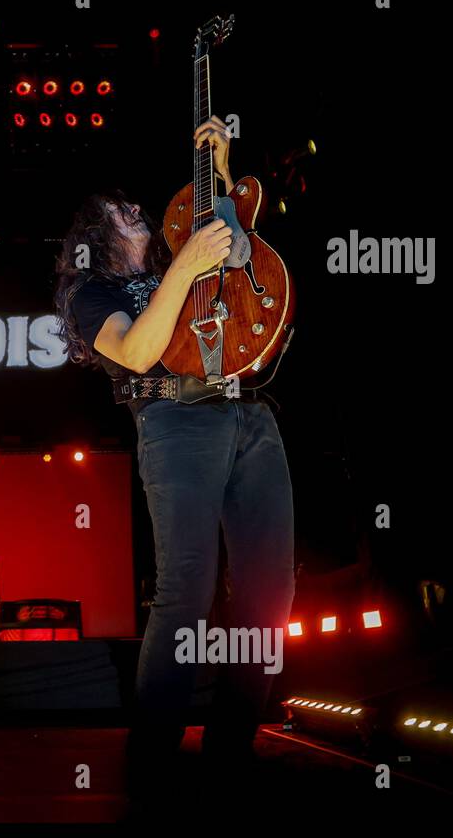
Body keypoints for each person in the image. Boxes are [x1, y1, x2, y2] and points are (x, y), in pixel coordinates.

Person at [52, 118, 296, 777]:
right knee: (186, 588)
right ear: (95, 235)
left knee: (271, 591)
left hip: (250, 412)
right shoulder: (90, 293)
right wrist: (187, 265)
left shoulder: (174, 255)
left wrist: (219, 164)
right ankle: (153, 756)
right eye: (119, 210)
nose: (135, 207)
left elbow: (238, 246)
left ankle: (231, 745)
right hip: (173, 418)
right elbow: (136, 351)